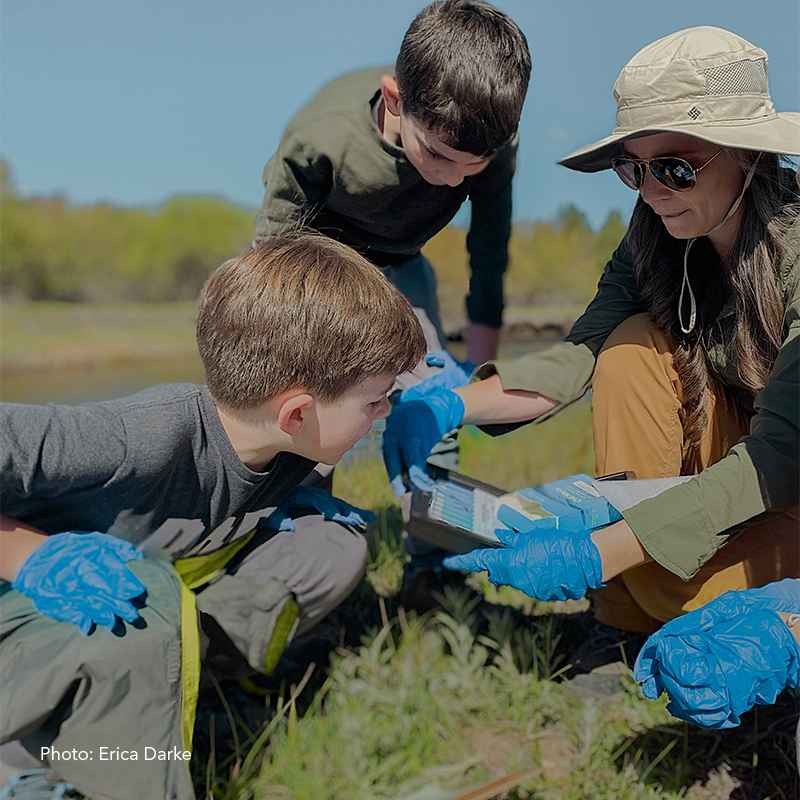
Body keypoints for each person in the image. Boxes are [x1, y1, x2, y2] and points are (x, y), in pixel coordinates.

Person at [383, 26, 800, 673]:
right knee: (628, 347)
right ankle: (623, 625)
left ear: (744, 154)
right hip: (739, 480)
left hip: (782, 476)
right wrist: (447, 407)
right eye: (633, 169)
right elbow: (579, 354)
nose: (653, 191)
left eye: (676, 168)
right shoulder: (657, 241)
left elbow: (782, 454)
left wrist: (597, 554)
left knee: (670, 586)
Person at [0, 229, 427, 800]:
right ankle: (35, 766)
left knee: (332, 545)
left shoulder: (294, 449)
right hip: (42, 609)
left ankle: (196, 693)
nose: (383, 412)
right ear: (296, 412)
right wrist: (28, 554)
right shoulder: (137, 437)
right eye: (374, 401)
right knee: (146, 605)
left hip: (160, 579)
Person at [253, 0, 531, 609]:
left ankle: (436, 572)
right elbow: (270, 271)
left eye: (471, 168)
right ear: (395, 100)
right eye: (436, 158)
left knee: (435, 417)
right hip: (314, 262)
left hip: (403, 265)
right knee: (312, 412)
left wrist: (476, 381)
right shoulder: (320, 139)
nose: (452, 182)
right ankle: (297, 566)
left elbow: (488, 256)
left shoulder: (486, 143)